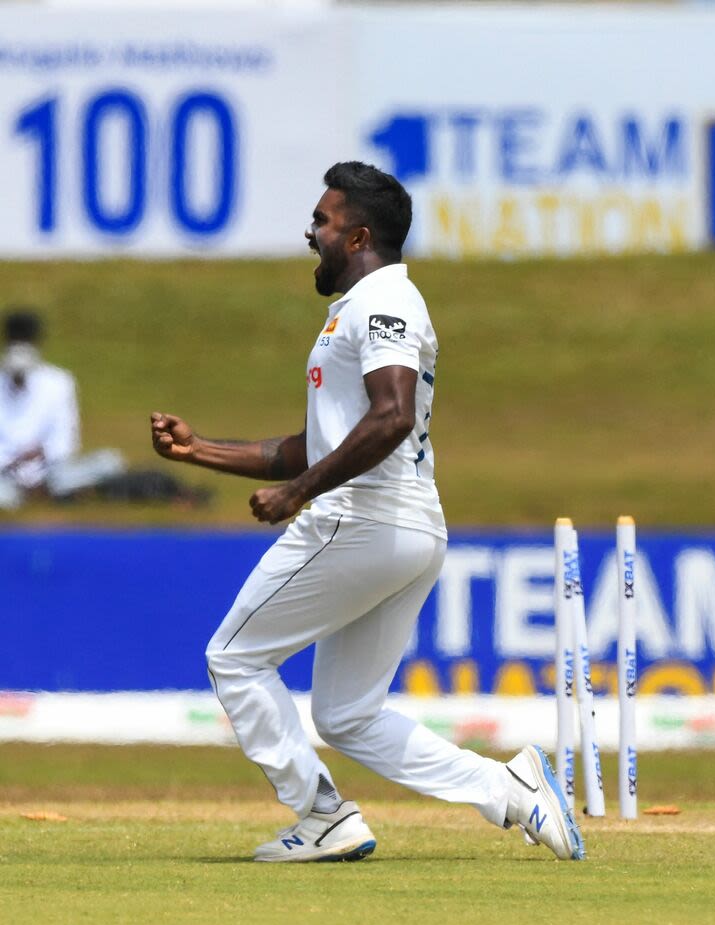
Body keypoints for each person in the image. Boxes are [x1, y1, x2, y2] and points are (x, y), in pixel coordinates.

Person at [150, 161, 584, 862]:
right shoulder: (354, 310)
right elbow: (309, 444)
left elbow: (391, 417)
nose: (310, 232)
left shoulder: (388, 304)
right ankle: (509, 788)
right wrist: (200, 450)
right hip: (402, 526)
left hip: (362, 519)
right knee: (348, 714)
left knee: (233, 658)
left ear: (356, 236)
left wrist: (302, 494)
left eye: (321, 222)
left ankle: (322, 815)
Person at [1, 308, 125, 509]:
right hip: (5, 473)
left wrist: (43, 453)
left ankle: (49, 490)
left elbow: (66, 440)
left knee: (110, 461)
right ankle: (20, 496)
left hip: (51, 472)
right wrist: (11, 461)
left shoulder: (59, 382)